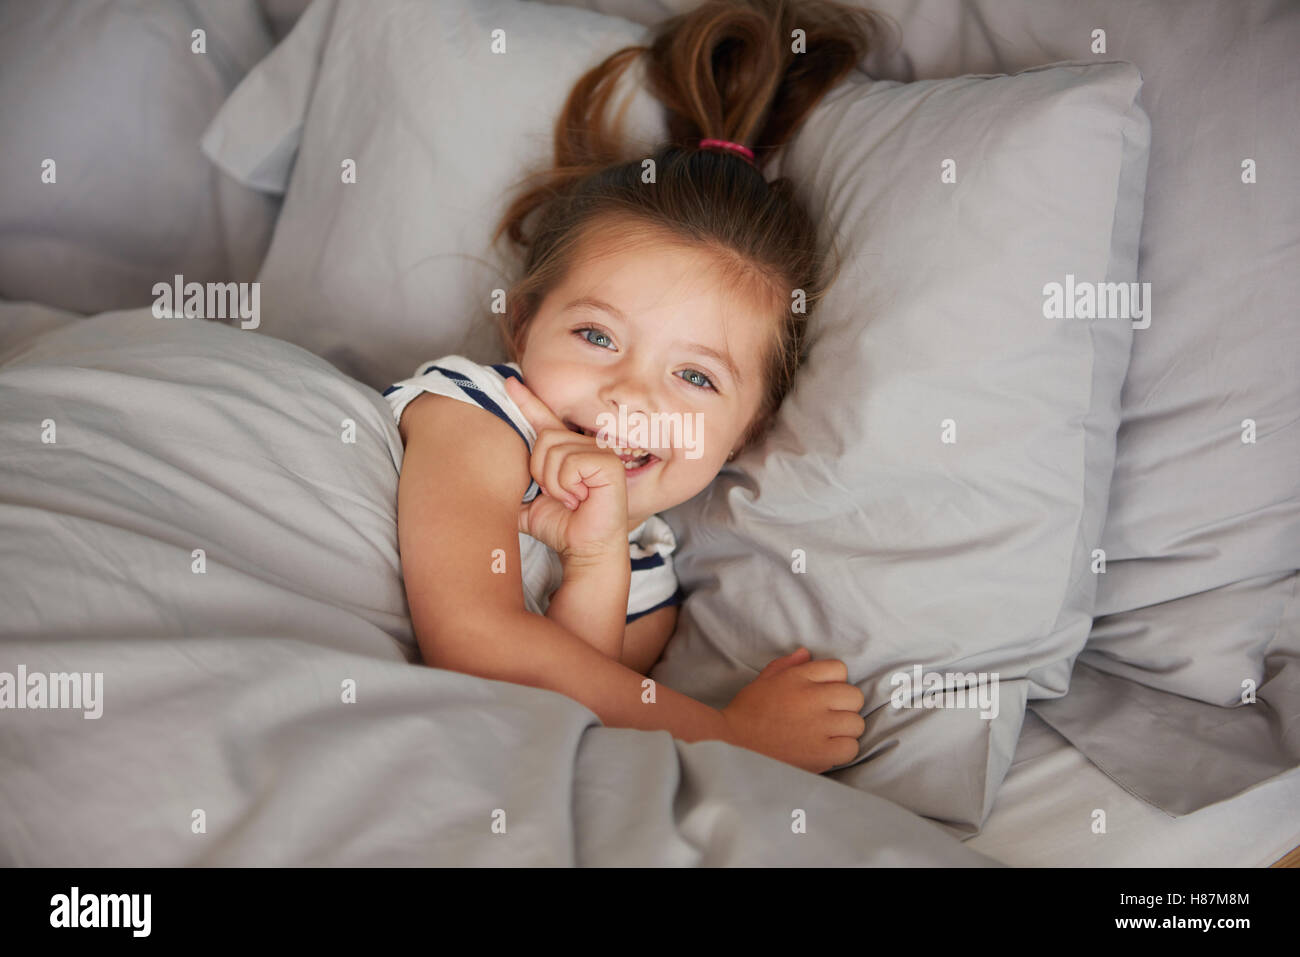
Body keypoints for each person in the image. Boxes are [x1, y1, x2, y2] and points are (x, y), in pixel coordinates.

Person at [389, 0, 887, 774]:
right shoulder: (480, 416)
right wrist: (734, 740)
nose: (629, 395)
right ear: (522, 327)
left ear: (749, 430)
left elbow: (554, 715)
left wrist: (596, 561)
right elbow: (476, 644)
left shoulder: (650, 582)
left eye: (694, 375)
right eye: (596, 336)